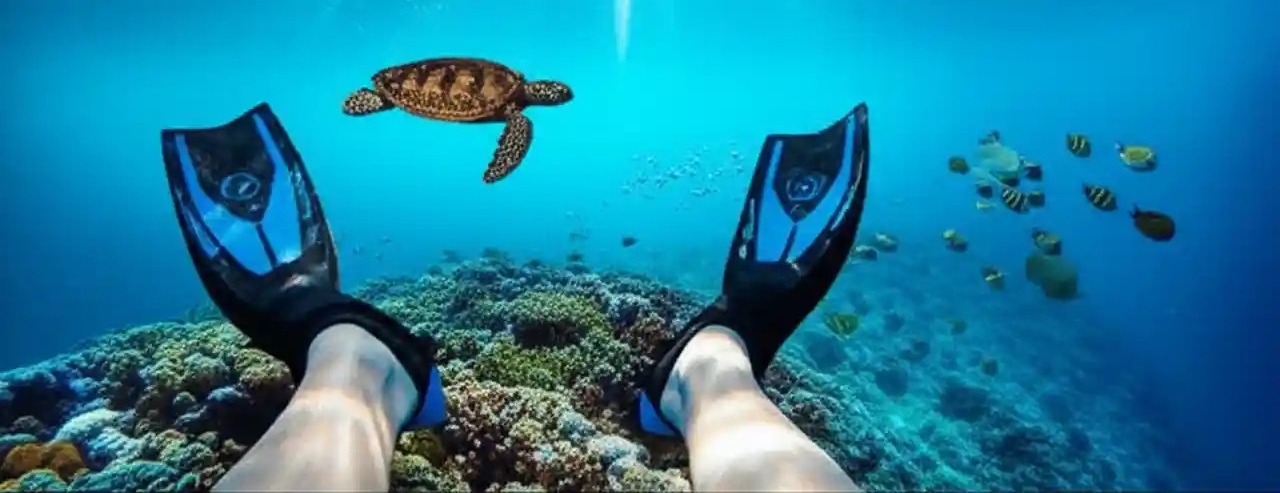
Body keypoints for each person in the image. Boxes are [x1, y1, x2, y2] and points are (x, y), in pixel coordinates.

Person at [160, 102, 871, 492]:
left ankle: (347, 351)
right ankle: (713, 363)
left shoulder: (523, 108)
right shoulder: (514, 102)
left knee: (330, 394)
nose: (550, 97)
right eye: (549, 94)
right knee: (741, 409)